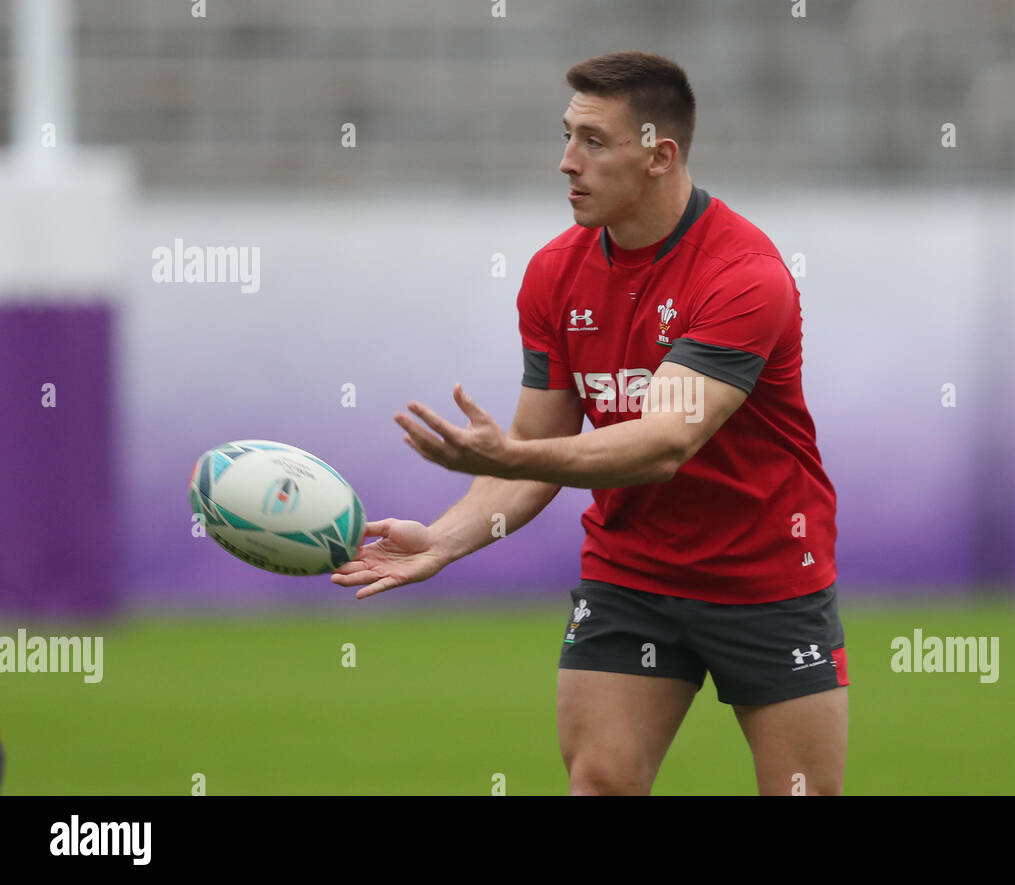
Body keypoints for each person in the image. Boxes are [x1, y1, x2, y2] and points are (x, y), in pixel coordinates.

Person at [331, 50, 846, 796]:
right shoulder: (553, 273)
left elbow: (663, 441)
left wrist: (513, 456)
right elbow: (534, 454)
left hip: (767, 575)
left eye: (593, 141)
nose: (566, 161)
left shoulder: (745, 275)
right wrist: (443, 539)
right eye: (566, 135)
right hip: (632, 573)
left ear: (659, 155)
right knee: (598, 782)